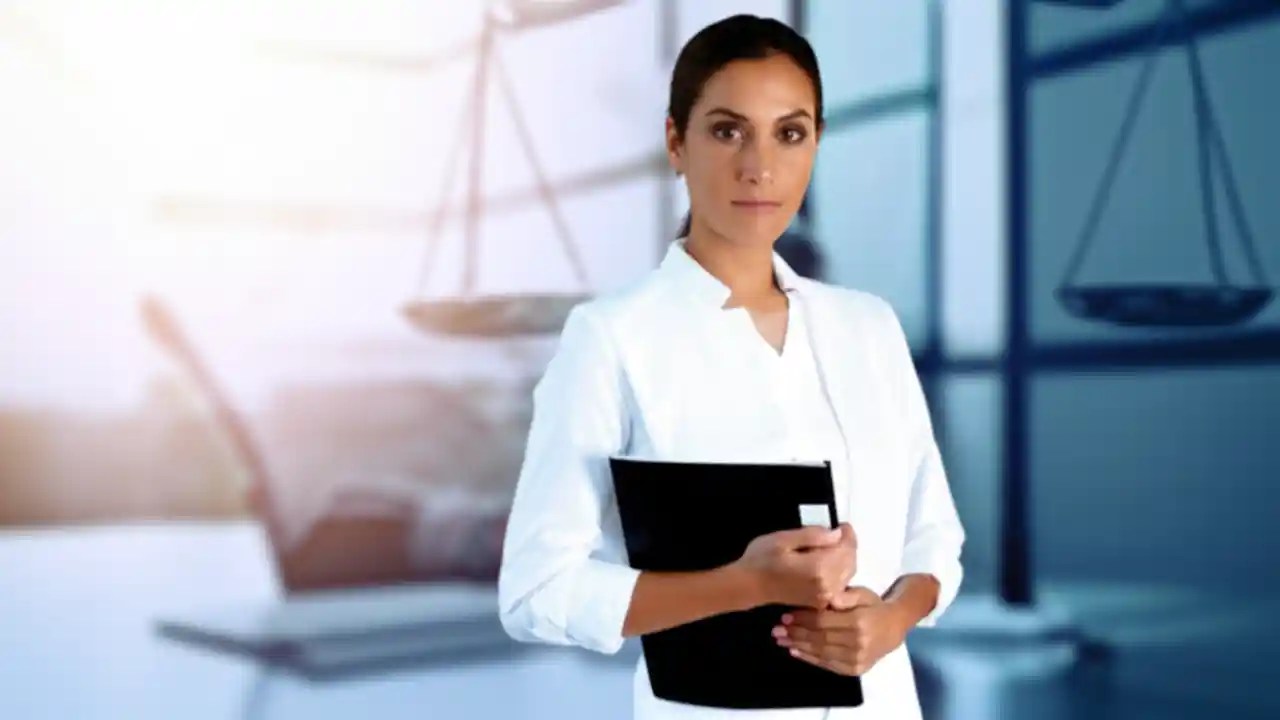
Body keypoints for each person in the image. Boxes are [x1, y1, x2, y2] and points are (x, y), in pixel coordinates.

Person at [498, 14, 964, 719]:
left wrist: (892, 619)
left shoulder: (869, 328)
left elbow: (934, 539)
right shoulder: (612, 338)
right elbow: (536, 592)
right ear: (675, 142)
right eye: (727, 131)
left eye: (789, 133)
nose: (759, 167)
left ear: (816, 143)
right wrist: (745, 585)